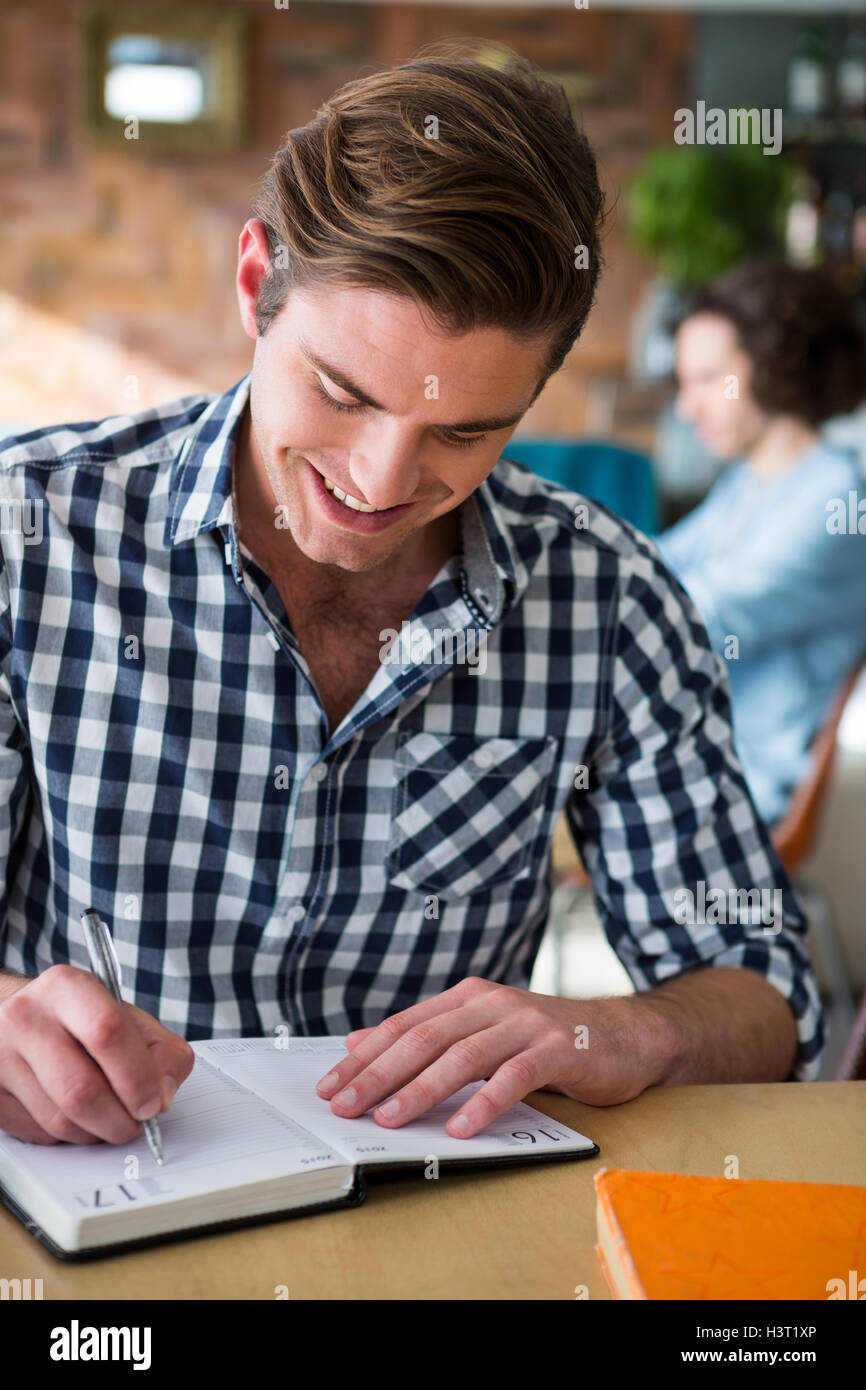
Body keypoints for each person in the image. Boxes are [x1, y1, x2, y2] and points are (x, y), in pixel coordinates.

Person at [0, 43, 823, 1153]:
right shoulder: (31, 534)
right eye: (341, 393)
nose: (378, 483)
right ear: (255, 287)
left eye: (463, 430)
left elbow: (764, 992)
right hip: (85, 1186)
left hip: (432, 1221)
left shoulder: (610, 600)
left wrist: (631, 1033)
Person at [656, 260, 866, 827]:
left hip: (736, 793)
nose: (686, 407)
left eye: (706, 379)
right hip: (692, 764)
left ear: (773, 364)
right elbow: (657, 562)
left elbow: (698, 612)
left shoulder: (837, 502)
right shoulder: (752, 481)